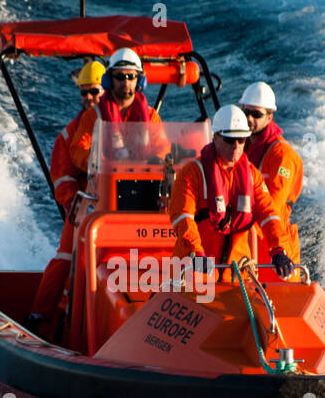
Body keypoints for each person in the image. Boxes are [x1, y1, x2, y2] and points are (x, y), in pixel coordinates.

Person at [168, 105, 295, 279]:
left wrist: (278, 248)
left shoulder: (252, 176)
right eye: (229, 140)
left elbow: (268, 214)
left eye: (241, 140)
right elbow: (183, 217)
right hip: (194, 273)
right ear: (215, 137)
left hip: (238, 277)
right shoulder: (192, 173)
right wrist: (195, 252)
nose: (235, 146)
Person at [25, 60, 104, 333]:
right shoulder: (69, 134)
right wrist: (76, 208)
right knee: (66, 261)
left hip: (120, 211)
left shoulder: (129, 126)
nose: (89, 98)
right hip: (83, 210)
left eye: (94, 91)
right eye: (84, 93)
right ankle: (41, 317)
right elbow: (62, 179)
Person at [240, 81, 303, 264]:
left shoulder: (282, 156)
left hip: (274, 245)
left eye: (256, 114)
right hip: (245, 240)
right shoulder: (239, 146)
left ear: (269, 117)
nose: (249, 118)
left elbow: (273, 206)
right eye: (245, 112)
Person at [97, 47, 166, 160]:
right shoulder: (95, 115)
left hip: (144, 175)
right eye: (120, 77)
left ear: (139, 80)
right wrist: (98, 159)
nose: (126, 82)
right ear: (109, 79)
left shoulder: (151, 116)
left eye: (131, 77)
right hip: (107, 174)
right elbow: (82, 148)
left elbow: (163, 148)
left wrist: (157, 159)